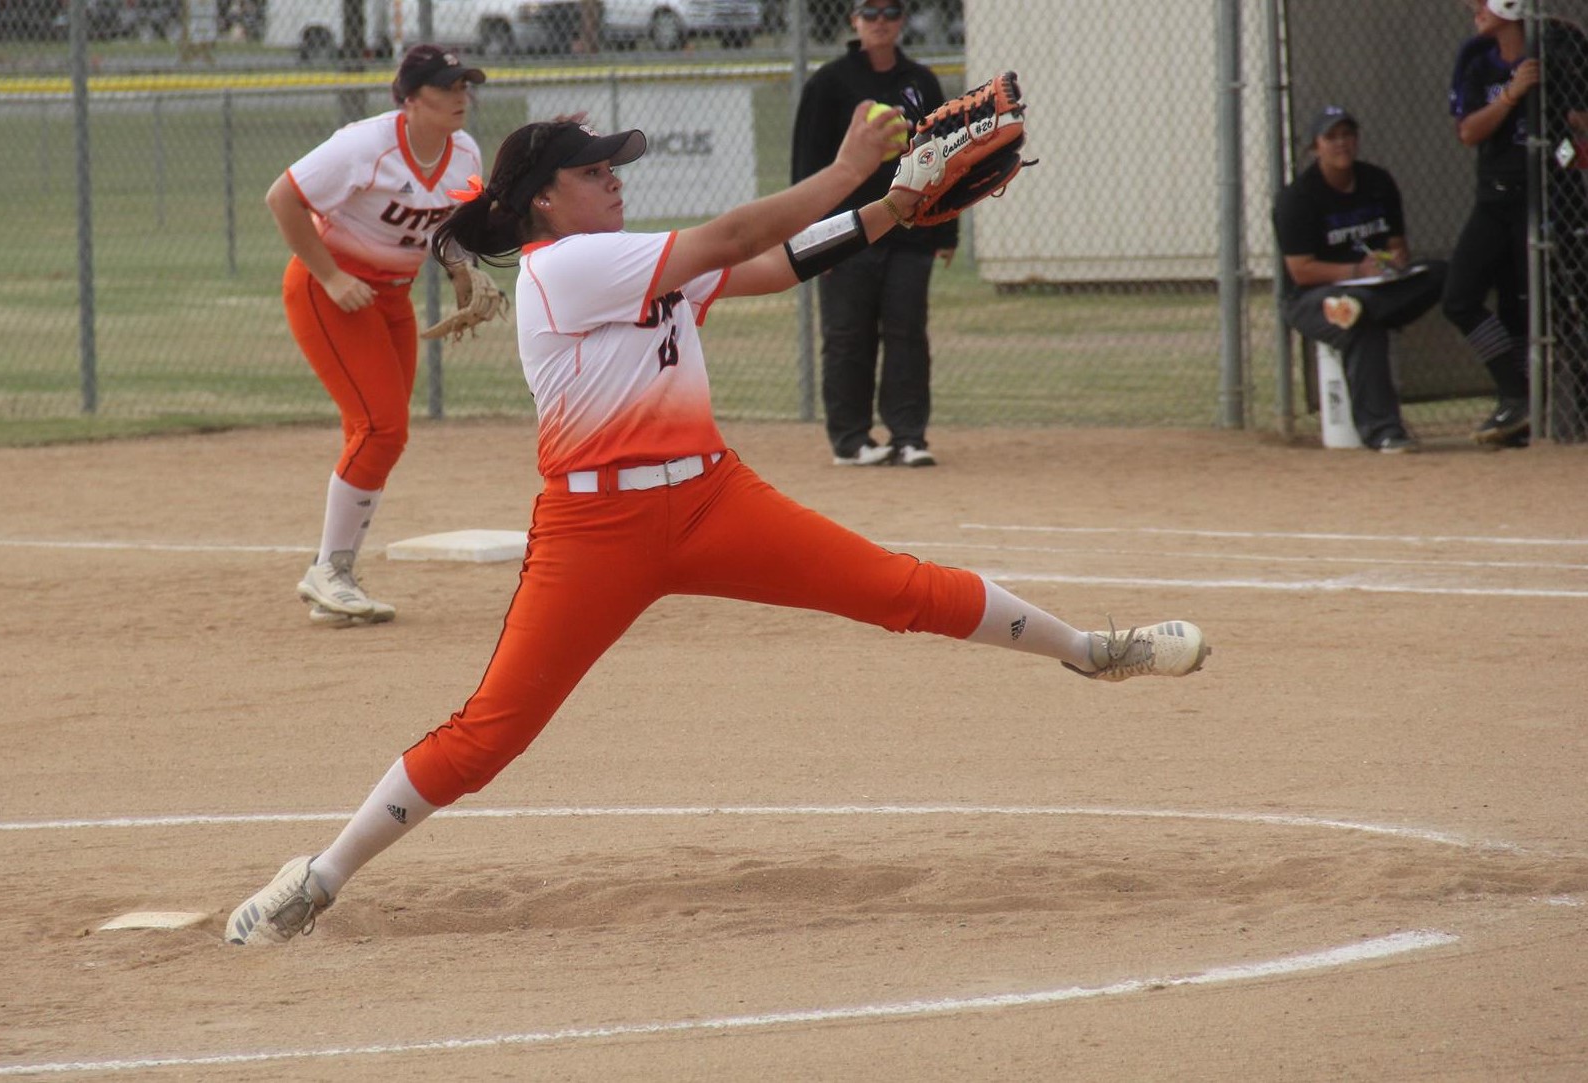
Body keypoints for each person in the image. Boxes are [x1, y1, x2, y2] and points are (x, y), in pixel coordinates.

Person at [225, 105, 1211, 947]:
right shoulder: (563, 268)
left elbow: (774, 268)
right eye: (593, 171)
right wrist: (850, 170)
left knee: (896, 588)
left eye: (616, 169)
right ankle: (318, 878)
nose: (614, 181)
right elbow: (737, 238)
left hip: (712, 498)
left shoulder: (625, 259)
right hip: (593, 534)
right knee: (491, 736)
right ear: (542, 200)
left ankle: (1092, 649)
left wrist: (894, 208)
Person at [266, 43, 486, 625]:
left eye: (466, 85)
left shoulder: (464, 153)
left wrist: (462, 271)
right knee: (382, 430)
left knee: (379, 432)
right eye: (448, 87)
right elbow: (283, 198)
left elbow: (448, 225)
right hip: (330, 292)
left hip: (391, 299)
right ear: (411, 100)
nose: (461, 96)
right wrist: (331, 276)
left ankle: (335, 580)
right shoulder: (365, 145)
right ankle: (328, 571)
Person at [791, 0, 956, 467]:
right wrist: (810, 239)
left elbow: (941, 159)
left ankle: (908, 437)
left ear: (903, 20)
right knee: (848, 336)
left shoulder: (920, 82)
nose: (880, 22)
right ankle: (852, 439)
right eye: (870, 12)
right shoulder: (829, 83)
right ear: (854, 21)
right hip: (846, 234)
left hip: (911, 231)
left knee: (907, 334)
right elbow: (807, 164)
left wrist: (947, 230)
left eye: (891, 12)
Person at [1444, 0, 1588, 447]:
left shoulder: (1561, 49)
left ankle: (1569, 409)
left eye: (1484, 3)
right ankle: (1516, 393)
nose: (1473, 8)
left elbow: (1580, 125)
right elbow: (1468, 131)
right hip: (1496, 199)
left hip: (1552, 197)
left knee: (1552, 310)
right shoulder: (1476, 58)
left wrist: (1562, 98)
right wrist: (1512, 92)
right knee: (1459, 297)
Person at [1272, 106, 1447, 453]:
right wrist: (1356, 273)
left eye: (1348, 135)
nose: (1342, 143)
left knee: (1441, 272)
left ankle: (1358, 306)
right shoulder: (1298, 199)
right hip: (1313, 299)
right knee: (1360, 325)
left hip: (1375, 290)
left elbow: (1397, 245)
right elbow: (1301, 271)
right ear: (1314, 147)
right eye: (1331, 137)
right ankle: (1384, 432)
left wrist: (1394, 260)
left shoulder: (1377, 182)